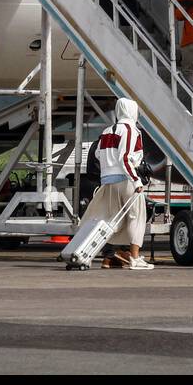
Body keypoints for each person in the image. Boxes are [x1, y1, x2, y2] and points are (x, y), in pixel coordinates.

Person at [79, 98, 153, 270]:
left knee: (109, 221)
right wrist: (136, 180)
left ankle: (93, 253)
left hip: (107, 181)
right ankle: (135, 258)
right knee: (137, 217)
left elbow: (98, 153)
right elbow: (125, 157)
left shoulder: (106, 131)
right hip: (126, 180)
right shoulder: (132, 130)